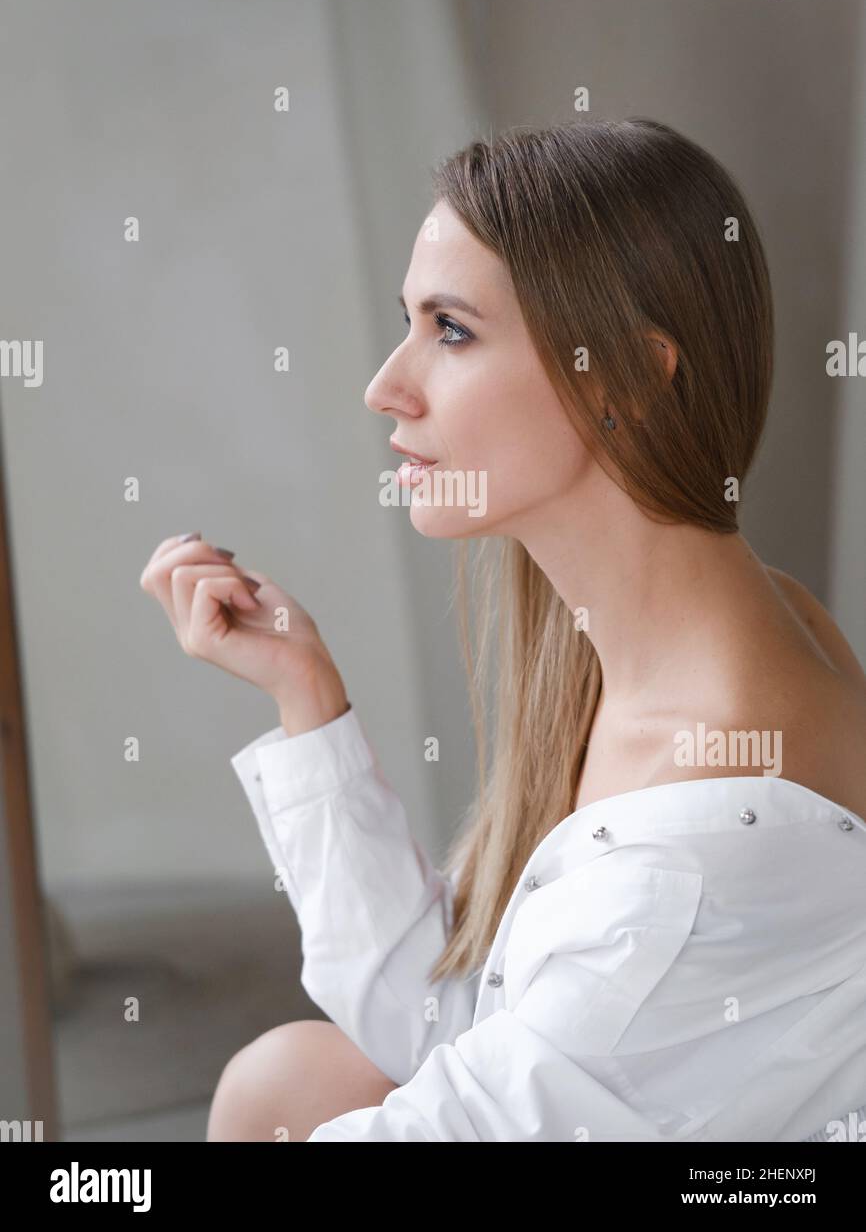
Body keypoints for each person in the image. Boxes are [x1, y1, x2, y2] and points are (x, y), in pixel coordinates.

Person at [140, 119, 866, 1142]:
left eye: (450, 330)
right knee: (287, 1077)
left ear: (627, 376)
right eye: (409, 321)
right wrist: (306, 693)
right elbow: (461, 1018)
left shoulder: (700, 831)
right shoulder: (693, 633)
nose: (385, 387)